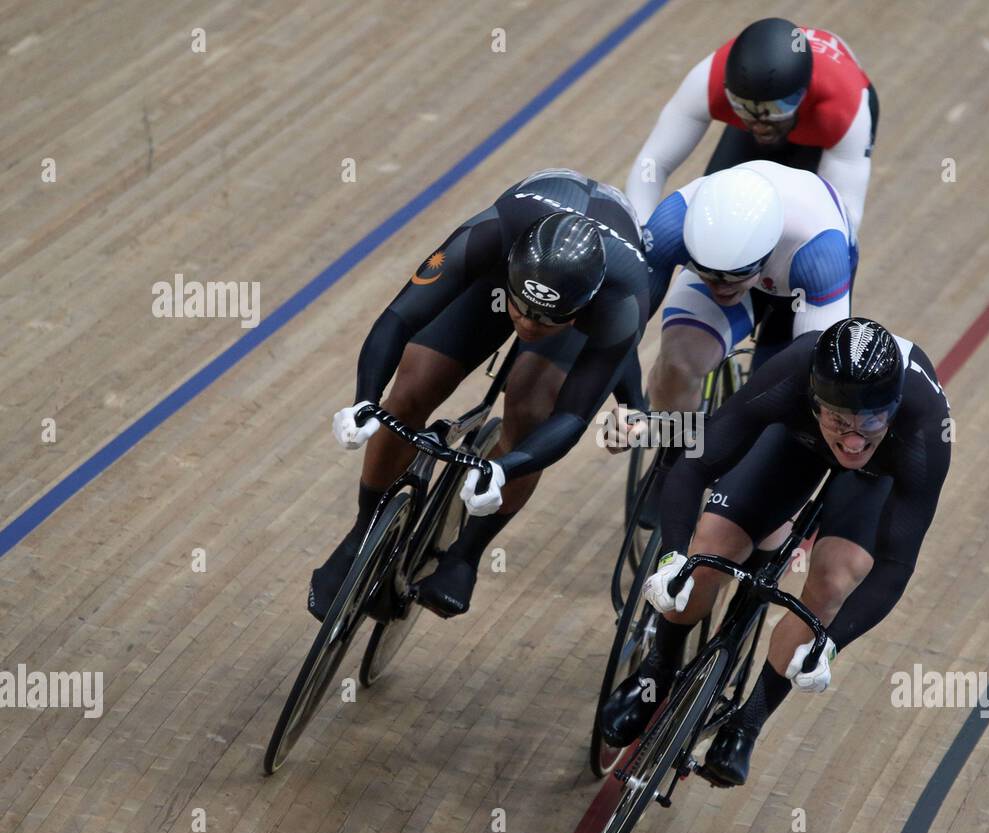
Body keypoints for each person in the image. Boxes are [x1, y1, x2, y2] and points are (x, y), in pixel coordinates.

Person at [599, 318, 951, 786]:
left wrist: (831, 642)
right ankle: (657, 669)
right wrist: (674, 558)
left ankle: (748, 722)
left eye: (869, 421)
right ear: (814, 398)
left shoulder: (925, 426)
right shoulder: (791, 372)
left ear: (894, 408)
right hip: (797, 440)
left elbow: (896, 564)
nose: (852, 439)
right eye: (840, 420)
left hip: (878, 474)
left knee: (831, 584)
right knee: (710, 550)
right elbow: (695, 466)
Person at [308, 169, 649, 621]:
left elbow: (571, 419)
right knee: (412, 386)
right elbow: (398, 320)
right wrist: (366, 398)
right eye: (522, 309)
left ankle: (465, 555)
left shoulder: (622, 299)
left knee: (531, 409)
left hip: (583, 299)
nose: (527, 325)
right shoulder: (495, 231)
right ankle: (362, 530)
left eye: (544, 320)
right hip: (506, 269)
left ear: (582, 309)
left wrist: (505, 468)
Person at [618, 159, 856, 526]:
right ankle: (673, 456)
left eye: (731, 276)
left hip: (801, 287)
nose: (719, 286)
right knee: (678, 364)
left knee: (782, 413)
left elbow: (816, 378)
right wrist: (627, 403)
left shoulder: (820, 253)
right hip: (755, 270)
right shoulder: (673, 223)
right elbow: (621, 331)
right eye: (709, 274)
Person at [624, 17, 877, 234]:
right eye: (742, 106)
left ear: (803, 95)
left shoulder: (843, 108)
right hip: (781, 110)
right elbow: (653, 163)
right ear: (729, 91)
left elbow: (844, 220)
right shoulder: (710, 80)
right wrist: (641, 229)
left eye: (776, 110)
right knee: (712, 219)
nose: (761, 124)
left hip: (819, 132)